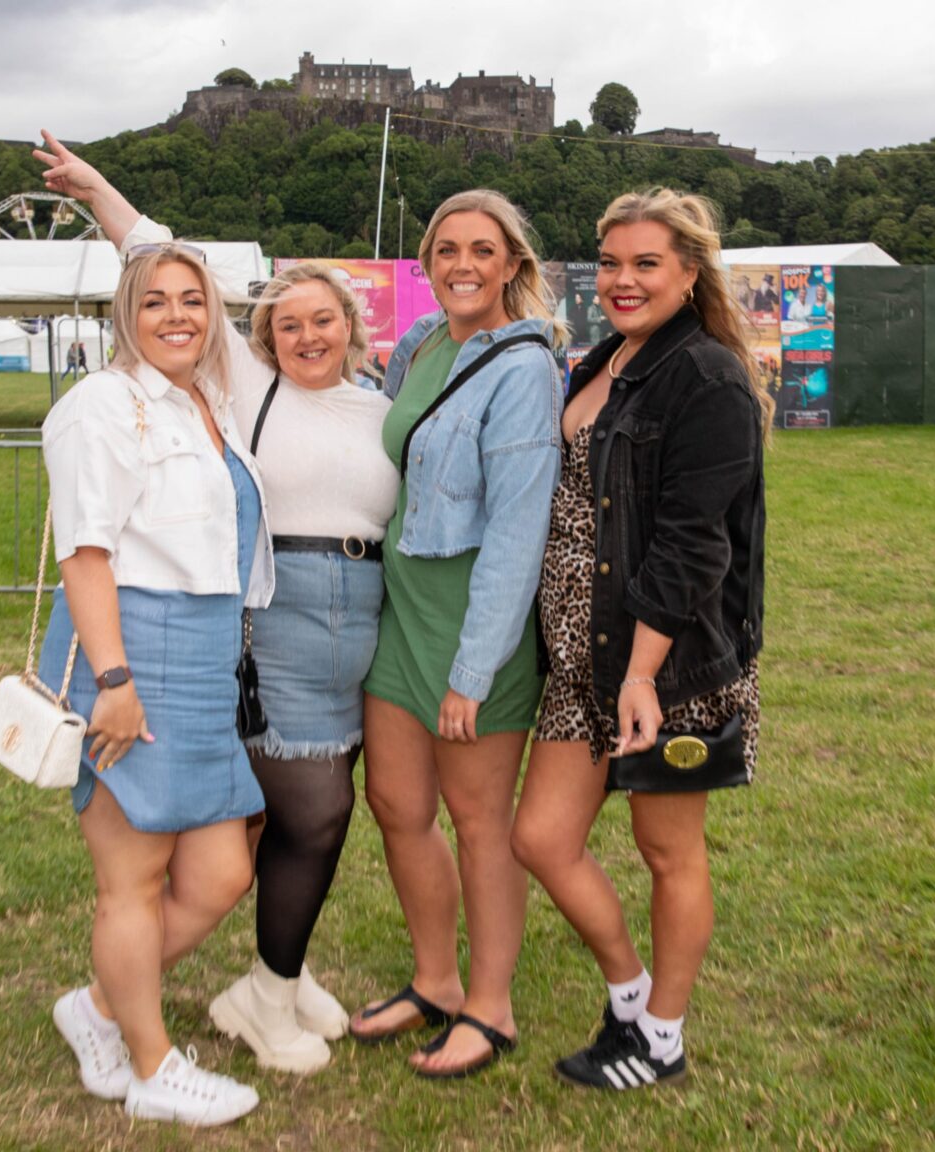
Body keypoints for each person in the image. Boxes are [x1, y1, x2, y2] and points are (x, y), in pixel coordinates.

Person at [35, 131, 400, 1075]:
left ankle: (155, 994)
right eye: (287, 323)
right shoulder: (212, 390)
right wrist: (99, 191)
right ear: (264, 336)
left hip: (296, 639)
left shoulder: (347, 406)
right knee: (235, 838)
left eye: (325, 321)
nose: (307, 336)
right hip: (191, 640)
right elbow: (160, 266)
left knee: (250, 850)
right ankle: (153, 1028)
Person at [511, 189, 772, 1090]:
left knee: (669, 853)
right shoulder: (606, 362)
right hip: (581, 660)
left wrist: (645, 674)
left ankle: (663, 1035)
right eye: (611, 264)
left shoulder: (705, 377)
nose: (623, 281)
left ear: (689, 273)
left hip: (663, 669)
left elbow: (695, 543)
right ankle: (629, 996)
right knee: (541, 839)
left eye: (646, 264)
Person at [35, 233, 275, 1126]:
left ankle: (97, 1004)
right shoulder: (104, 404)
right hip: (135, 652)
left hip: (207, 658)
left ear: (212, 311)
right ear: (124, 316)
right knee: (131, 883)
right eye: (153, 301)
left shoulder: (201, 401)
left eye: (191, 299)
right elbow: (85, 552)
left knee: (218, 874)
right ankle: (150, 1064)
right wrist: (114, 679)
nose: (176, 316)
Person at [346, 189, 565, 1078]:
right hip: (402, 612)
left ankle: (491, 1005)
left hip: (478, 623)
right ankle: (434, 980)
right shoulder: (417, 346)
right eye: (445, 250)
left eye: (482, 250)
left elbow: (519, 530)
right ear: (427, 261)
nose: (462, 265)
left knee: (480, 822)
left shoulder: (526, 368)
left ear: (513, 262)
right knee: (397, 806)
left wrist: (475, 668)